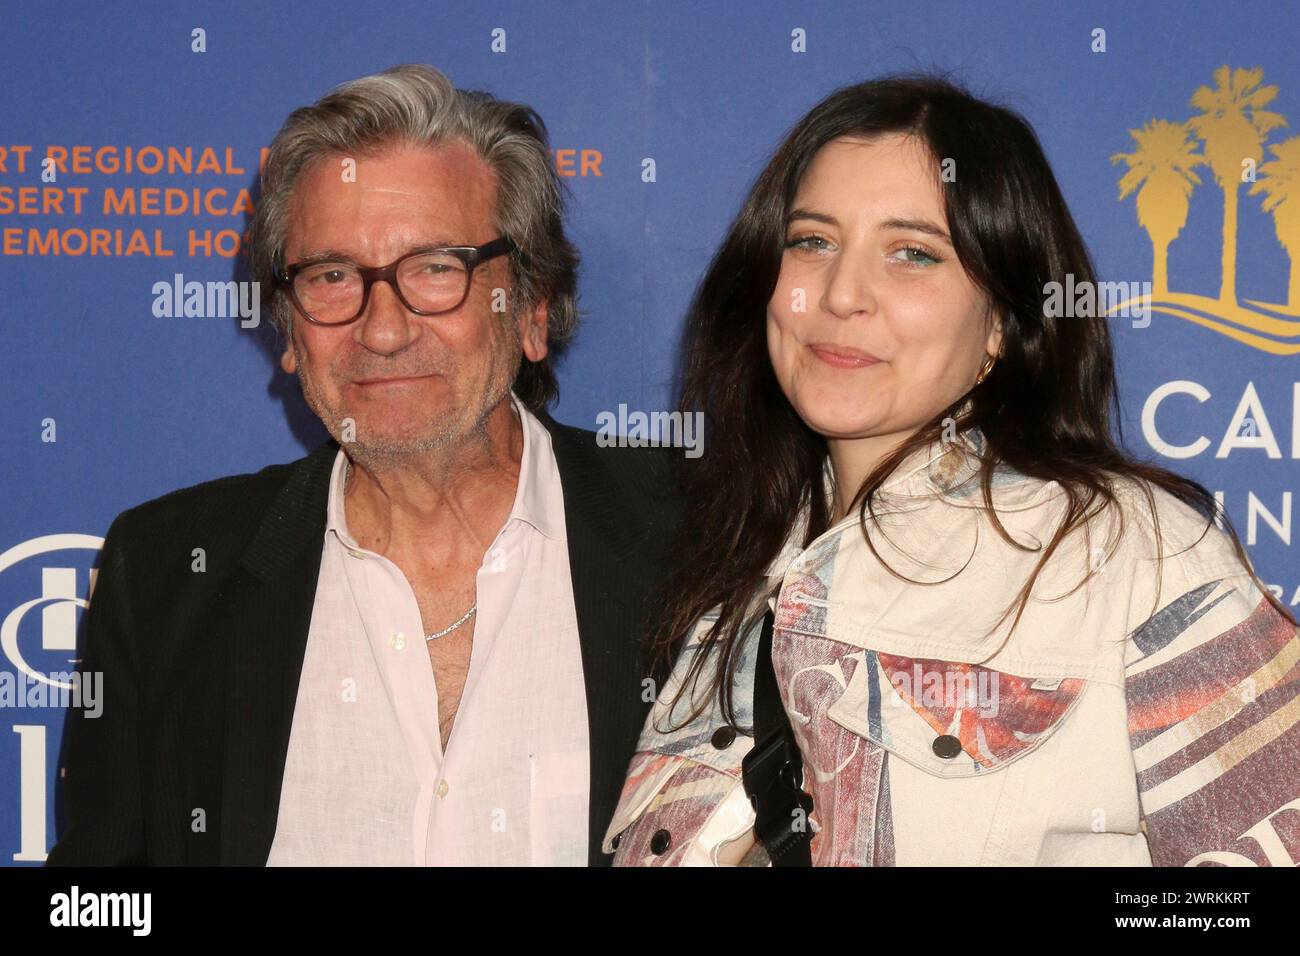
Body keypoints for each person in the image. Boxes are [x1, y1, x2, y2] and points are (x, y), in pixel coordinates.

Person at [604, 73, 1300, 866]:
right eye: (812, 241)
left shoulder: (1136, 554)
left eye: (912, 254)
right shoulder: (729, 581)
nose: (841, 294)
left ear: (1002, 322)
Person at [46, 64, 677, 866]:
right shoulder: (166, 575)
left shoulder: (710, 540)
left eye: (435, 269)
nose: (383, 330)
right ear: (287, 329)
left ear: (532, 308)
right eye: (333, 275)